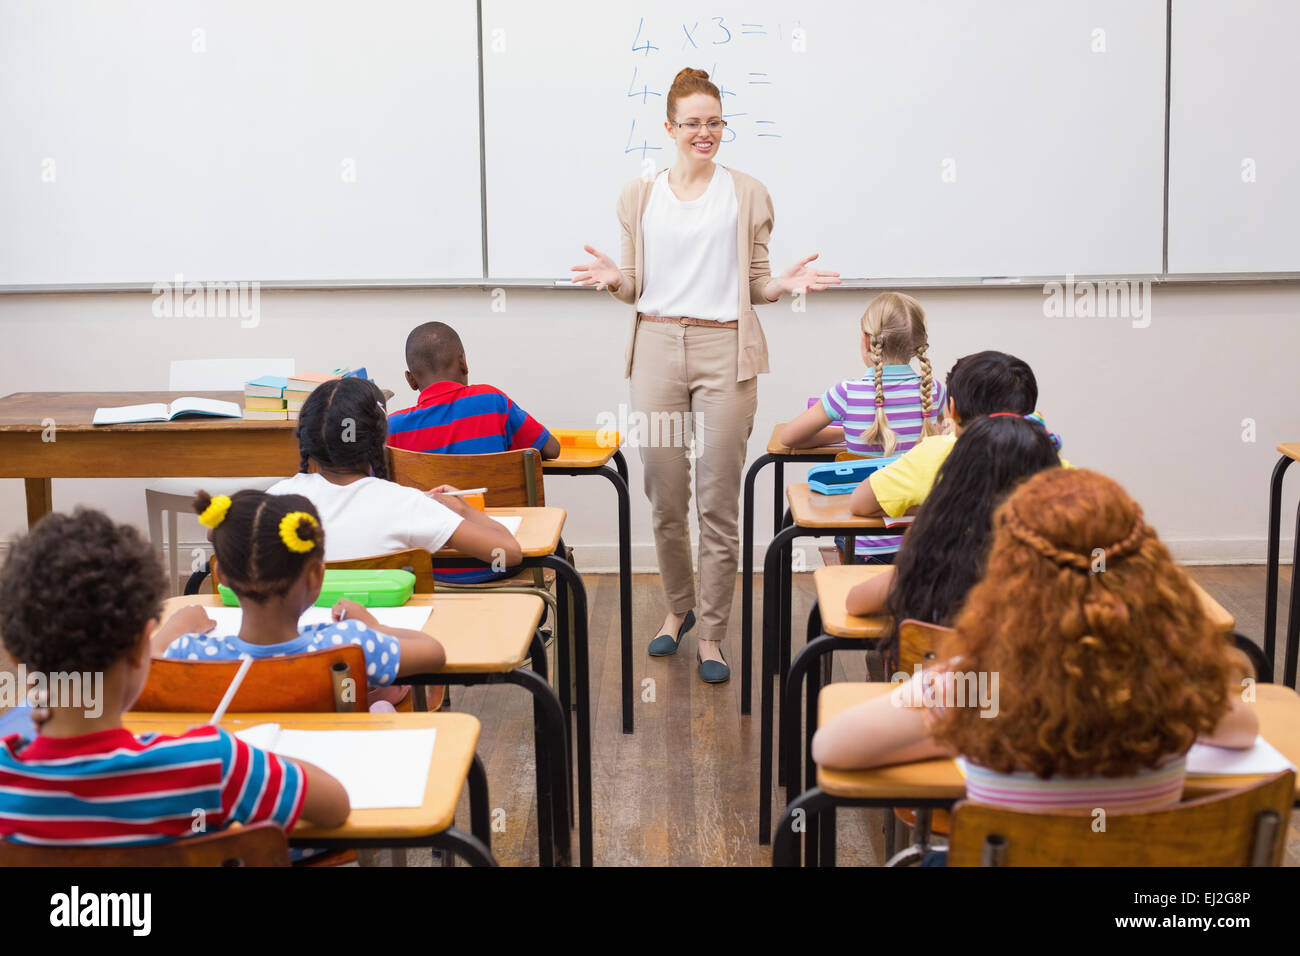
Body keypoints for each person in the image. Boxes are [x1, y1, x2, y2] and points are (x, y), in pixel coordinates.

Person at [571, 67, 840, 682]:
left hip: (727, 349)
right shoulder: (639, 195)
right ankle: (678, 610)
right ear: (669, 127)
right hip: (658, 345)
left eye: (714, 122)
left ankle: (713, 633)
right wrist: (616, 281)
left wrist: (782, 286)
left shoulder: (747, 192)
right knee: (665, 492)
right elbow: (635, 286)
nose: (704, 132)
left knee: (717, 501)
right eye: (692, 123)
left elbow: (755, 284)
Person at [814, 469, 1258, 827]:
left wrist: (956, 735)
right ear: (1150, 572)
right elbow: (1244, 729)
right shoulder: (1170, 683)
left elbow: (832, 747)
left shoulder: (973, 686)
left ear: (1007, 572)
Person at [0, 508, 349, 845]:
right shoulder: (212, 762)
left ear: (15, 656)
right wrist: (249, 756)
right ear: (141, 645)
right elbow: (334, 805)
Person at [153, 490, 447, 713]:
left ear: (221, 576)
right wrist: (374, 626)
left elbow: (145, 664)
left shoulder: (187, 654)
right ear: (316, 577)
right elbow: (434, 653)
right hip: (331, 780)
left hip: (239, 786)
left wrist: (175, 628)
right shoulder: (350, 644)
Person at [845, 415, 1060, 669]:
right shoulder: (1066, 569)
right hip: (1030, 701)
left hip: (946, 700)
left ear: (956, 479)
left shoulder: (936, 561)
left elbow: (855, 602)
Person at [268, 376, 522, 584]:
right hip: (386, 641)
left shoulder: (273, 501)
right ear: (381, 438)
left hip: (298, 643)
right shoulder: (406, 504)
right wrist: (464, 509)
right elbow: (508, 553)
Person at [781, 291, 943, 562]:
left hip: (861, 546)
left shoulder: (847, 393)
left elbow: (790, 437)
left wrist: (848, 432)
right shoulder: (935, 393)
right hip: (922, 549)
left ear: (866, 340)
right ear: (918, 344)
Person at [851, 350, 1065, 519]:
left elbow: (860, 503)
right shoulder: (1053, 461)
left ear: (951, 409)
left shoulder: (934, 453)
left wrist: (934, 505)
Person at [388, 320, 560, 459]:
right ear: (463, 362)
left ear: (411, 380)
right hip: (493, 503)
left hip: (431, 504)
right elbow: (552, 449)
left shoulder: (392, 428)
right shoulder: (492, 401)